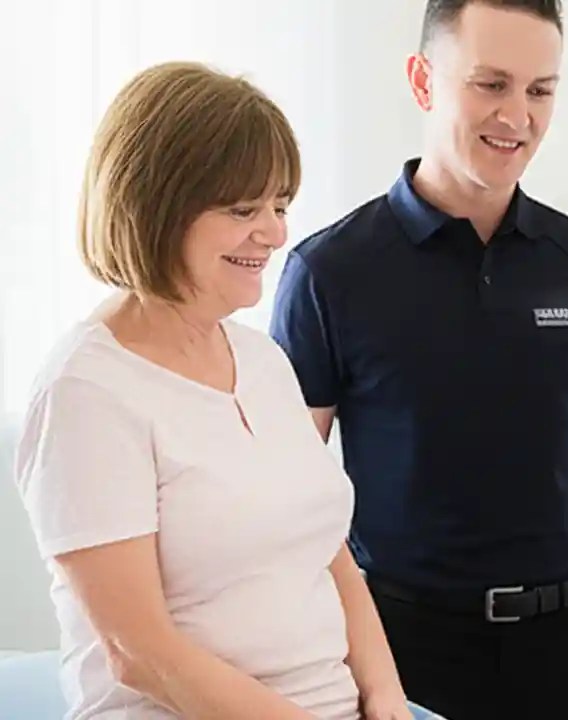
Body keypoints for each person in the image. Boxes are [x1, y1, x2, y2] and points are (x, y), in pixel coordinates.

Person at [268, 1, 568, 718]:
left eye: (540, 90)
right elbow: (288, 498)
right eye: (491, 84)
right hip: (399, 653)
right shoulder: (329, 272)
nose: (518, 117)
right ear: (423, 81)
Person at [12, 61, 416, 720]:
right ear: (157, 205)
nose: (275, 233)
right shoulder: (86, 392)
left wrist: (387, 696)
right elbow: (140, 654)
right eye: (242, 209)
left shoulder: (261, 361)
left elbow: (328, 552)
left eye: (279, 206)